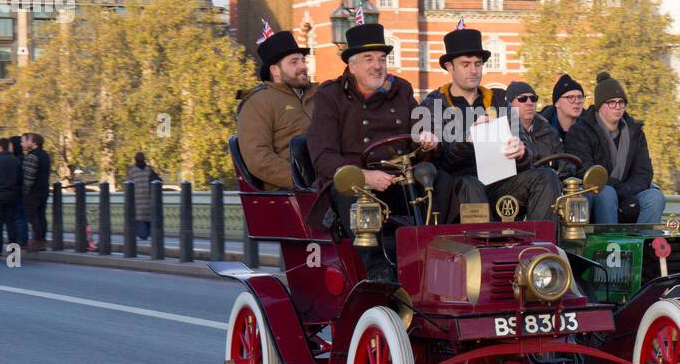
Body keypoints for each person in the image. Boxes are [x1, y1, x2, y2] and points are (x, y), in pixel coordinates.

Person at [308, 22, 442, 276]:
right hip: (354, 182)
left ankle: (444, 262)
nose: (378, 65)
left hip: (400, 177)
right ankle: (381, 276)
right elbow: (323, 157)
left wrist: (427, 137)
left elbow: (419, 127)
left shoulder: (401, 89)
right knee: (359, 202)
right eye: (368, 59)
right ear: (352, 65)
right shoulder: (331, 95)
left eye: (382, 58)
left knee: (442, 183)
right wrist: (364, 177)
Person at [417, 28, 559, 221]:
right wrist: (468, 140)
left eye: (478, 64)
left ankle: (541, 247)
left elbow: (527, 153)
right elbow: (436, 161)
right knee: (471, 185)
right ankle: (487, 249)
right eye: (465, 64)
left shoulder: (498, 100)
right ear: (450, 67)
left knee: (546, 176)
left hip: (500, 182)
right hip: (456, 188)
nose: (474, 70)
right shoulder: (433, 105)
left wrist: (521, 151)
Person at [567, 72, 665, 225]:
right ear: (600, 106)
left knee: (655, 197)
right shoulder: (581, 131)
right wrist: (618, 189)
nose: (618, 107)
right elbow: (586, 170)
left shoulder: (635, 133)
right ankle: (608, 244)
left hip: (627, 192)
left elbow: (643, 172)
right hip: (595, 193)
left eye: (621, 102)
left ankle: (642, 244)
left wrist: (626, 192)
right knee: (607, 192)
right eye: (612, 102)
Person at [236, 30, 317, 190]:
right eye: (294, 62)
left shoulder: (320, 94)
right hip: (291, 193)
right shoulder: (259, 102)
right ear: (275, 71)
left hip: (331, 183)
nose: (303, 66)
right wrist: (304, 181)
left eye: (303, 60)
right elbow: (259, 158)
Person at [505, 80, 564, 168]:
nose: (530, 103)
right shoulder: (503, 134)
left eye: (533, 98)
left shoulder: (548, 130)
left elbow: (564, 161)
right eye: (522, 98)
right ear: (509, 104)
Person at [0, 138, 24, 257]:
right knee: (11, 223)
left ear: (0, 147)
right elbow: (20, 179)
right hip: (12, 196)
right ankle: (12, 249)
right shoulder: (15, 161)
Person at [21, 132, 51, 251]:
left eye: (26, 141)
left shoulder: (33, 156)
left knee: (33, 216)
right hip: (43, 190)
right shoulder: (45, 155)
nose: (24, 143)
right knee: (41, 215)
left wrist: (25, 192)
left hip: (33, 192)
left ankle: (37, 240)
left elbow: (29, 177)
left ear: (33, 143)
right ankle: (42, 240)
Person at [539, 73, 585, 148]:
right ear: (557, 103)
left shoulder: (591, 129)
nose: (577, 101)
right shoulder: (539, 131)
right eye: (570, 97)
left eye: (580, 97)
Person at [126, 153, 161, 239]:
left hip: (137, 198)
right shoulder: (149, 169)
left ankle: (142, 234)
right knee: (148, 216)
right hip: (148, 197)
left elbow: (128, 184)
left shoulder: (131, 170)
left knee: (139, 217)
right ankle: (148, 234)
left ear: (135, 160)